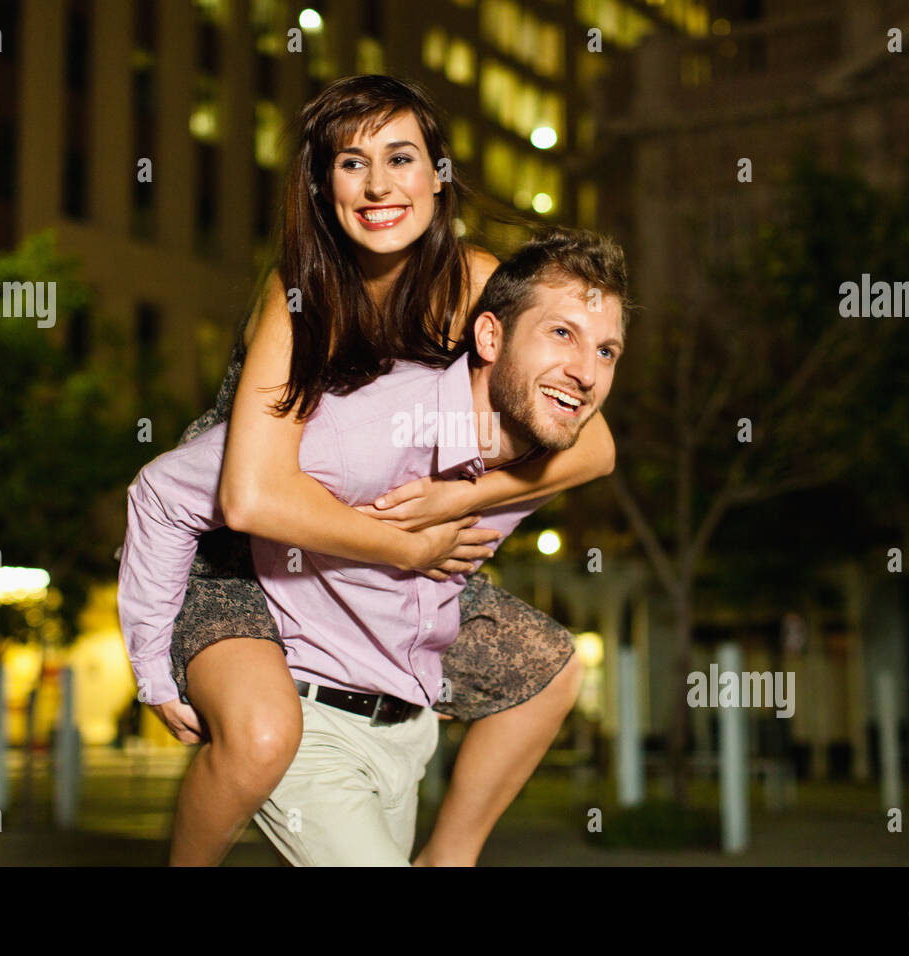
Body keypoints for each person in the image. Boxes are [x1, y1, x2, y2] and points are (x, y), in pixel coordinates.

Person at [117, 75, 616, 866]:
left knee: (551, 672)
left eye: (401, 158)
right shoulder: (299, 295)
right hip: (238, 540)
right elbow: (251, 494)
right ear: (322, 187)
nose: (380, 185)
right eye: (352, 164)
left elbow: (592, 447)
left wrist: (452, 504)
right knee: (259, 737)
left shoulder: (472, 284)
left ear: (438, 176)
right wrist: (408, 546)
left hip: (386, 520)